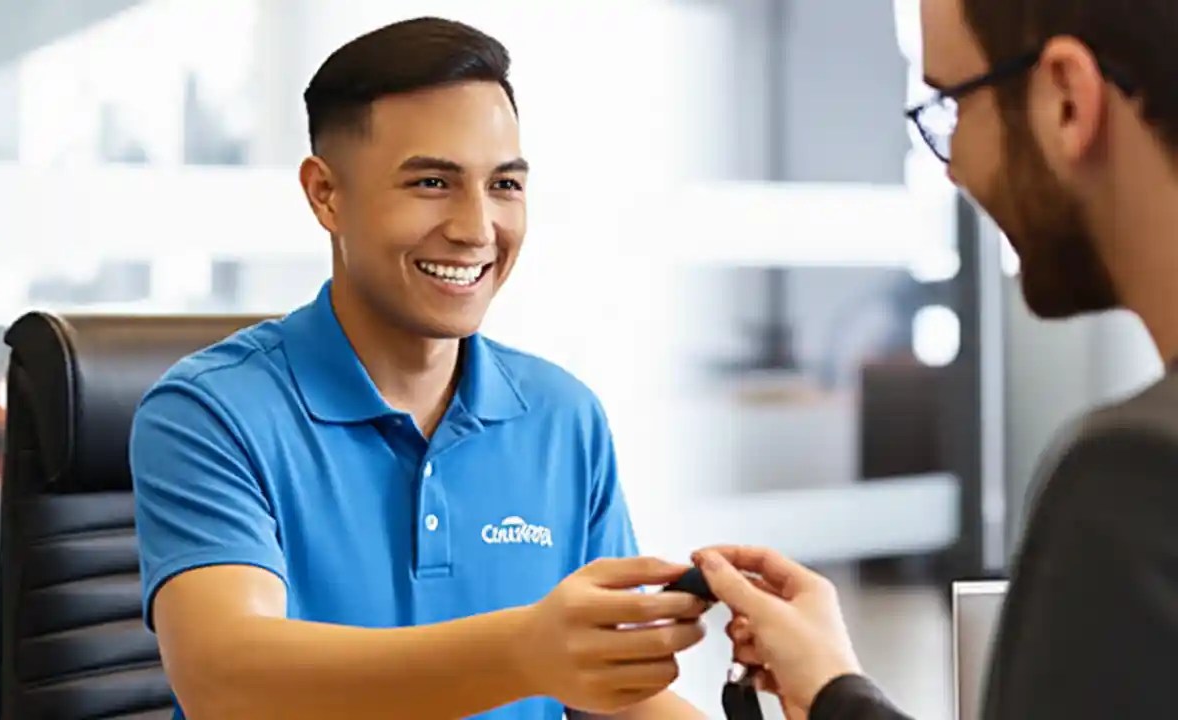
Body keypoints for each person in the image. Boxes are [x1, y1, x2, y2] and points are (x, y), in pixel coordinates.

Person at [129, 17, 706, 720]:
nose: (476, 227)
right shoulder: (210, 413)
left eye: (504, 185)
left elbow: (617, 696)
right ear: (325, 195)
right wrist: (524, 650)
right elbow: (228, 680)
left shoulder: (563, 415)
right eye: (433, 182)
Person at [693, 0, 1178, 718]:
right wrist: (835, 692)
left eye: (952, 105)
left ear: (1067, 99)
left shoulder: (1133, 482)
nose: (954, 173)